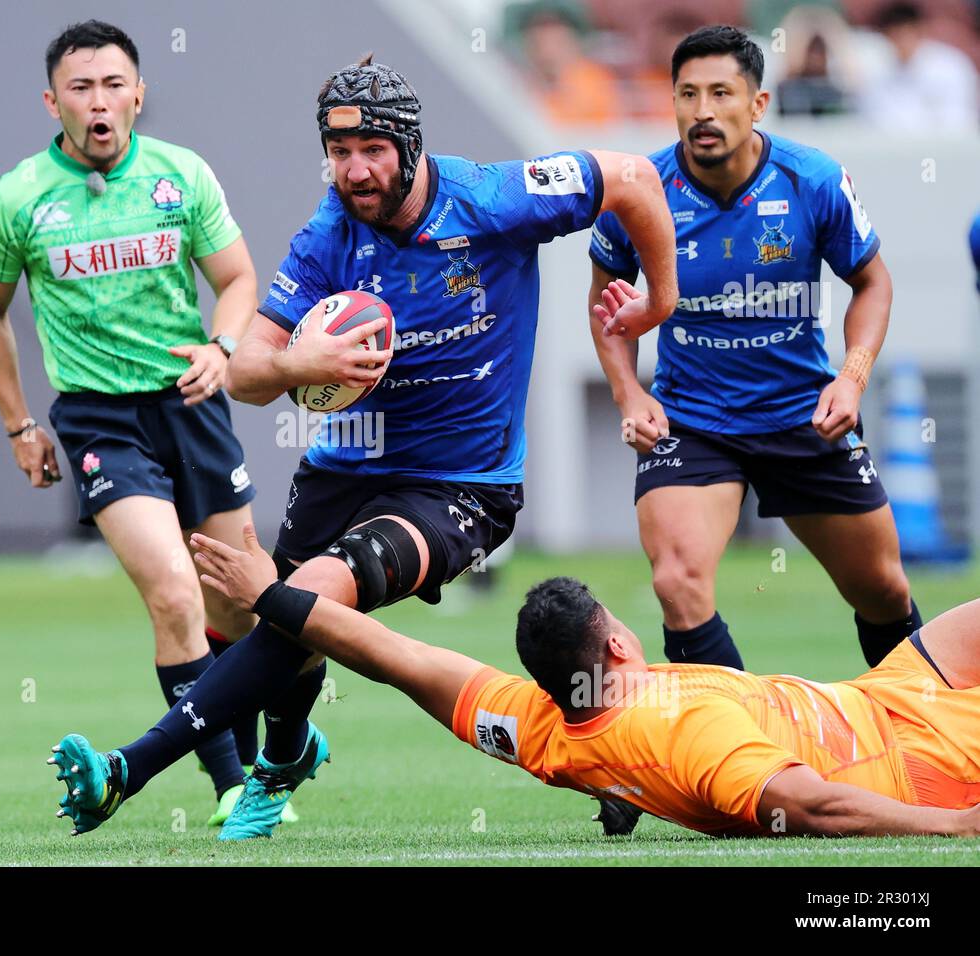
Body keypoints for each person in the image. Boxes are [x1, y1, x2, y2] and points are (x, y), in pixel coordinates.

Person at [47, 53, 679, 840]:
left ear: (410, 146)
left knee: (301, 594)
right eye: (339, 153)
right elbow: (242, 371)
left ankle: (127, 771)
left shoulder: (491, 198)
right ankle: (284, 759)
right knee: (287, 619)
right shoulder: (328, 236)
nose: (353, 171)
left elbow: (635, 179)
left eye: (371, 150)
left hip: (460, 484)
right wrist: (294, 365)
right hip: (342, 468)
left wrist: (661, 297)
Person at [171, 526, 980, 839]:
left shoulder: (543, 723)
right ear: (620, 643)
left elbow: (395, 656)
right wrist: (952, 829)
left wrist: (271, 596)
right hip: (915, 757)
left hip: (886, 686)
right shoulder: (686, 733)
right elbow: (809, 804)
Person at [0, 20, 261, 825]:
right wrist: (21, 425)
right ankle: (235, 787)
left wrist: (223, 345)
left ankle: (278, 759)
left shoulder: (180, 176)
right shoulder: (15, 199)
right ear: (52, 101)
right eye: (80, 88)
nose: (98, 102)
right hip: (99, 421)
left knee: (240, 603)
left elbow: (237, 278)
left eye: (112, 85)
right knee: (173, 594)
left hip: (191, 405)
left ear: (138, 93)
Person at [589, 24, 918, 677]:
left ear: (758, 104)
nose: (703, 111)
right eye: (687, 94)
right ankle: (746, 760)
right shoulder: (638, 190)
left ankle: (928, 742)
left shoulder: (812, 179)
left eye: (721, 93)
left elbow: (872, 282)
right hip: (693, 420)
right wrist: (630, 393)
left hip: (803, 415)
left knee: (882, 590)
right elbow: (605, 307)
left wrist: (851, 379)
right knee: (678, 584)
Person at [857, 1, 978, 132]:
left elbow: (958, 121)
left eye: (905, 34)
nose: (901, 42)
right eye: (894, 36)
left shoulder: (950, 66)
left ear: (920, 31)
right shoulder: (878, 72)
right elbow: (876, 119)